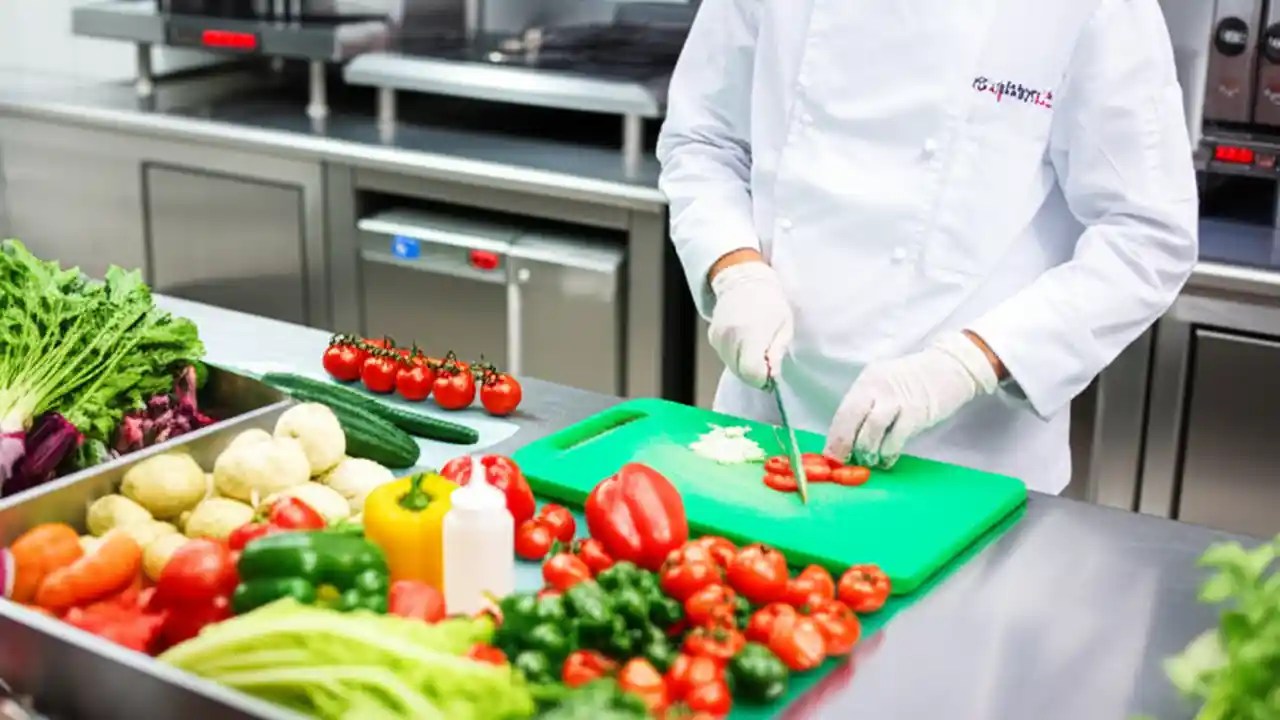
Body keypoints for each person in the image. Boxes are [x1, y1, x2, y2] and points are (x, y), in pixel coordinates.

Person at [657, 0, 1198, 494]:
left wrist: (967, 364)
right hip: (765, 432)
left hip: (964, 461)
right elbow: (704, 140)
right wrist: (736, 271)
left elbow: (1148, 234)